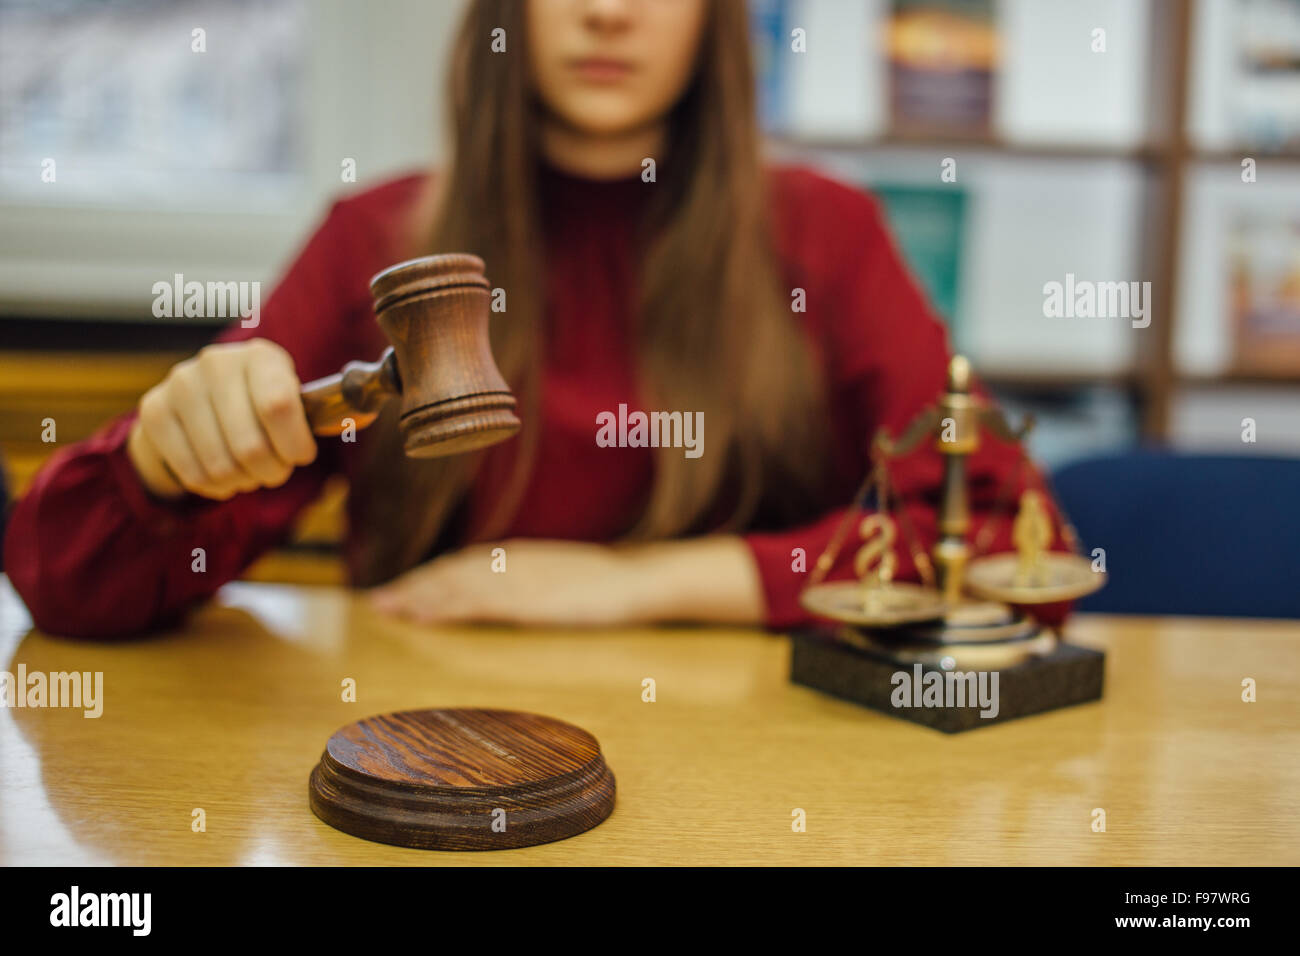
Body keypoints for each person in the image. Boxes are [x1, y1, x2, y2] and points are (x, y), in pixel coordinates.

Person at [4, 0, 1066, 639]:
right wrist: (156, 469)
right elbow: (64, 582)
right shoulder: (374, 239)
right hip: (425, 772)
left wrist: (646, 583)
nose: (607, 10)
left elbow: (1007, 551)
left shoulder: (830, 238)